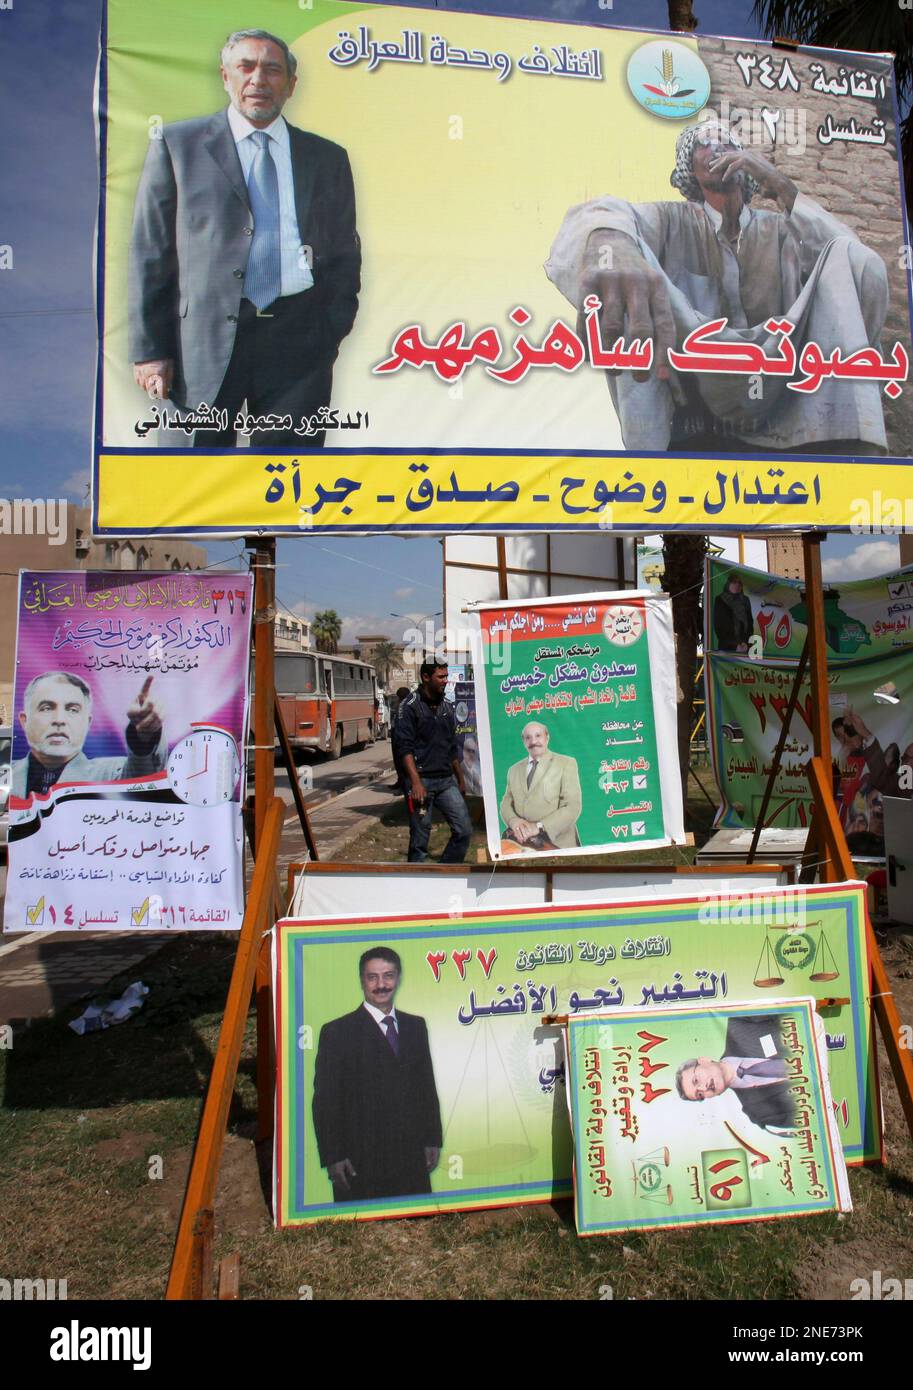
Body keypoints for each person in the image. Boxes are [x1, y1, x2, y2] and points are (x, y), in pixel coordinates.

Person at [546, 116, 890, 455]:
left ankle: (849, 445)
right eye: (704, 143)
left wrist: (782, 186)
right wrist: (613, 247)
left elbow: (859, 269)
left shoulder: (781, 231)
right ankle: (647, 463)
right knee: (626, 271)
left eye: (726, 142)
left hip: (781, 382)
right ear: (690, 170)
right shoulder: (671, 220)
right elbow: (605, 212)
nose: (717, 149)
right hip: (693, 384)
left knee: (853, 257)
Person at [129, 28, 360, 450]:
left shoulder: (327, 158)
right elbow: (151, 254)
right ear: (225, 77)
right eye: (246, 66)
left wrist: (330, 328)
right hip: (199, 341)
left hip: (298, 339)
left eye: (273, 69)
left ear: (291, 85)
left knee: (289, 485)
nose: (258, 79)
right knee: (191, 487)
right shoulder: (177, 146)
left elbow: (344, 251)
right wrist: (149, 350)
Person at [312, 947, 442, 1203]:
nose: (381, 985)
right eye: (373, 977)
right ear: (362, 980)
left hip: (410, 1156)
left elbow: (426, 1087)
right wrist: (333, 1156)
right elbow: (326, 1100)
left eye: (388, 976)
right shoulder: (337, 1032)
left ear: (398, 978)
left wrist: (432, 1138)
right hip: (361, 1160)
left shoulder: (416, 1026)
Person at [11, 673, 166, 798]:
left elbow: (145, 775)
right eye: (46, 708)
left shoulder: (112, 774)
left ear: (88, 722)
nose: (59, 720)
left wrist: (144, 735)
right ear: (25, 721)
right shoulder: (6, 775)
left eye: (72, 710)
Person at [394, 661, 472, 863]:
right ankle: (417, 884)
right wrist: (415, 782)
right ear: (426, 678)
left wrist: (460, 779)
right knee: (420, 840)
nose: (445, 681)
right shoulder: (409, 706)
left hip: (446, 781)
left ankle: (446, 873)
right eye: (441, 677)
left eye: (446, 676)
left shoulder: (446, 707)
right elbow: (404, 748)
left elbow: (451, 747)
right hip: (421, 781)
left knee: (463, 830)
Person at [675, 1013, 797, 1131]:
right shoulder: (758, 1112)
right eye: (700, 1095)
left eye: (696, 1081)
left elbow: (794, 1010)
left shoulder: (741, 1022)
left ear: (704, 1060)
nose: (704, 1087)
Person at [500, 721, 581, 851]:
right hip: (521, 840)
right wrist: (514, 821)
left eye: (538, 736)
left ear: (547, 737)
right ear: (523, 741)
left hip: (556, 843)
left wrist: (537, 827)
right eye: (528, 737)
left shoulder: (566, 763)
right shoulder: (513, 770)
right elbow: (506, 803)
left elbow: (573, 807)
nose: (533, 741)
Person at [713, 575, 754, 652]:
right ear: (728, 584)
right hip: (727, 648)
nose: (737, 584)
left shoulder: (745, 600)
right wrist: (735, 645)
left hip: (745, 648)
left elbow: (750, 625)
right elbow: (719, 627)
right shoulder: (720, 600)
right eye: (734, 582)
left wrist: (746, 644)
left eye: (739, 583)